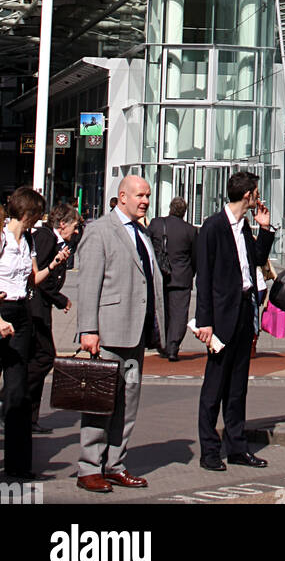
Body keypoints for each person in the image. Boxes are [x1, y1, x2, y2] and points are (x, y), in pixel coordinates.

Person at [76, 174, 165, 493]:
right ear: (122, 196)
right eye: (140, 195)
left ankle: (114, 464)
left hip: (135, 333)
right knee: (100, 402)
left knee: (128, 403)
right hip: (109, 333)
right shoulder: (99, 231)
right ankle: (89, 467)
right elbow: (88, 284)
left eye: (148, 196)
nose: (145, 201)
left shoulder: (141, 232)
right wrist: (88, 329)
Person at [194, 170, 274, 472]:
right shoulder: (213, 227)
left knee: (239, 385)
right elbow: (203, 278)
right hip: (220, 316)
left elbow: (256, 260)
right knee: (214, 387)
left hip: (244, 309)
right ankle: (209, 451)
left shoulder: (243, 227)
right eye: (256, 192)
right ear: (247, 195)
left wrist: (264, 230)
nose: (258, 198)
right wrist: (205, 322)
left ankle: (238, 447)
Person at [0, 187, 70, 478]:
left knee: (18, 392)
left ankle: (19, 465)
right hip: (1, 311)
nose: (39, 220)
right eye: (37, 214)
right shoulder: (2, 238)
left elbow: (33, 279)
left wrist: (53, 264)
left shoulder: (27, 239)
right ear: (26, 212)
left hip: (21, 314)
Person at [27, 203, 79, 428]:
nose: (76, 232)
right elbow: (38, 278)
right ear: (62, 224)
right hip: (35, 308)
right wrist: (61, 299)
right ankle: (11, 393)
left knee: (36, 356)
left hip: (41, 307)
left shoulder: (58, 242)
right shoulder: (47, 238)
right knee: (45, 356)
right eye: (74, 226)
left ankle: (30, 417)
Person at [147, 197, 197, 362]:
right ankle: (173, 347)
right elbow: (195, 257)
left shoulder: (156, 224)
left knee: (161, 310)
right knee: (179, 313)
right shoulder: (190, 230)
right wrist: (191, 273)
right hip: (181, 277)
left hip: (159, 275)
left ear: (170, 208)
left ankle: (162, 343)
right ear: (185, 212)